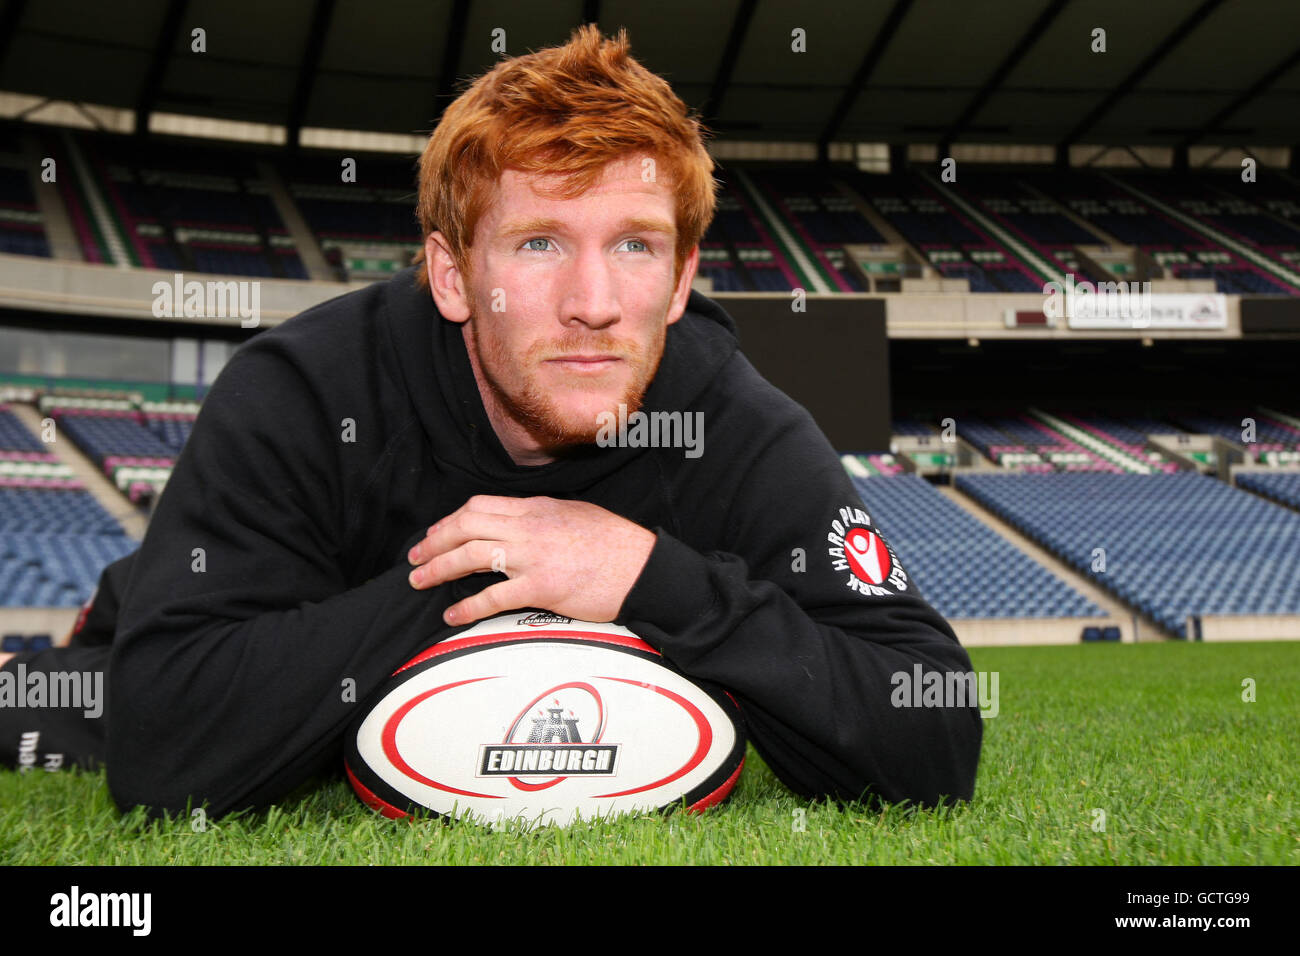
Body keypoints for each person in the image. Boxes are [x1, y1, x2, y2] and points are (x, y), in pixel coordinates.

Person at [1, 25, 981, 817]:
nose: (592, 300)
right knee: (50, 713)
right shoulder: (300, 391)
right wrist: (486, 570)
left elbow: (932, 726)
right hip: (178, 616)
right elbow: (164, 743)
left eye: (635, 245)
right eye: (539, 241)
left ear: (682, 280)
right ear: (451, 274)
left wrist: (650, 574)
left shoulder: (737, 426)